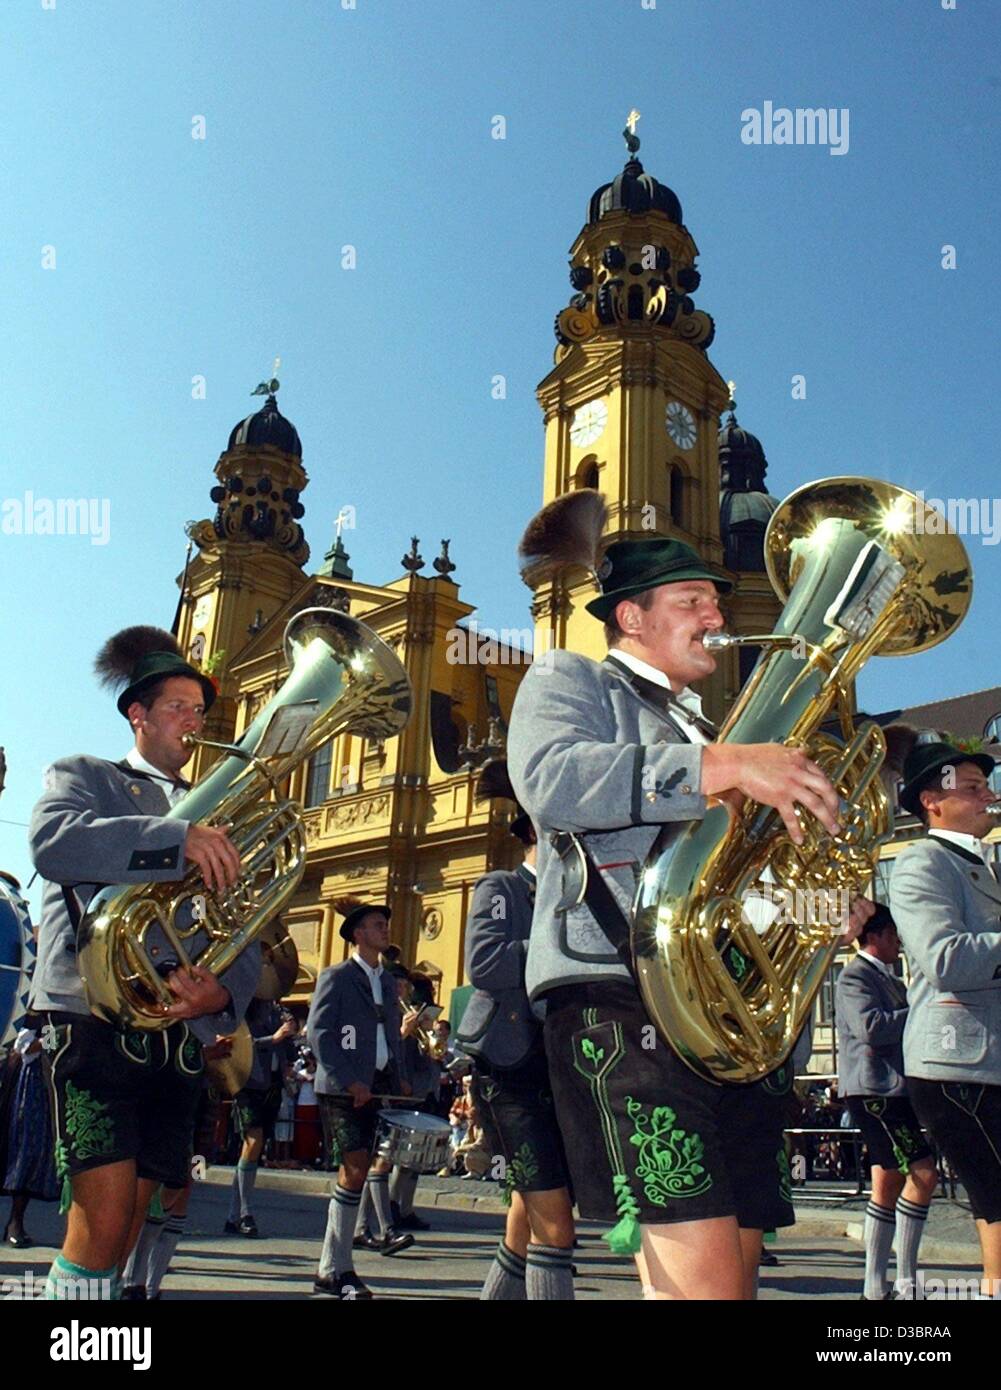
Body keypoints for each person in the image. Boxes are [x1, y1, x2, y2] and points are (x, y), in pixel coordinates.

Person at [507, 491, 870, 1300]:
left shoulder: (708, 726)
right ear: (630, 617)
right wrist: (726, 769)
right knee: (702, 1284)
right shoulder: (570, 678)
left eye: (713, 598)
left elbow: (739, 886)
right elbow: (551, 781)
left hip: (726, 1016)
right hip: (621, 992)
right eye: (691, 601)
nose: (715, 612)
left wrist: (816, 910)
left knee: (733, 1274)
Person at [28, 625, 259, 1300]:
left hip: (173, 1038)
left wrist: (221, 997)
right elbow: (52, 843)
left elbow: (242, 923)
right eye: (179, 708)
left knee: (131, 1222)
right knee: (98, 1222)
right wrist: (175, 837)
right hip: (93, 1016)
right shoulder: (87, 776)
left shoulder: (224, 813)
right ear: (138, 714)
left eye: (200, 711)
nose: (195, 721)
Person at [888, 729, 1001, 1298]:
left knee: (994, 1203)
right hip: (959, 1064)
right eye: (976, 787)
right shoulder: (919, 863)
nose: (990, 796)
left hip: (982, 1062)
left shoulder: (980, 866)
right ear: (933, 800)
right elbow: (945, 959)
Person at [457, 758, 575, 1300]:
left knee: (526, 1217)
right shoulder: (500, 887)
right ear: (533, 834)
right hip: (508, 1071)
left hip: (557, 1072)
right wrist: (558, 946)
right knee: (555, 1223)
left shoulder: (571, 898)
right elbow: (484, 964)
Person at [308, 900, 418, 1300]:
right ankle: (337, 1268)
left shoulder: (387, 981)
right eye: (376, 925)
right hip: (343, 1089)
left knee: (358, 1170)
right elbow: (318, 1034)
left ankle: (330, 1267)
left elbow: (390, 1035)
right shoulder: (336, 977)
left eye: (385, 924)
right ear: (358, 934)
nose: (385, 929)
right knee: (354, 1168)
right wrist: (348, 1079)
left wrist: (401, 1077)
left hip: (377, 1087)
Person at [835, 902, 937, 1299]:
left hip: (888, 1090)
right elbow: (872, 1028)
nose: (899, 943)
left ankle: (876, 1288)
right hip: (875, 1091)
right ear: (874, 937)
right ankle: (905, 1283)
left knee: (887, 1180)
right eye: (894, 935)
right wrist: (917, 1011)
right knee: (923, 1174)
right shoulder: (854, 976)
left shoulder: (887, 978)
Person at [224, 1000, 298, 1236]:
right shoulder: (244, 1007)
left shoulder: (276, 1010)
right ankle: (246, 1212)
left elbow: (288, 1049)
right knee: (252, 1143)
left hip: (273, 1085)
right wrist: (274, 1039)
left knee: (254, 1149)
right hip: (249, 1083)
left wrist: (289, 1038)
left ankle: (233, 1216)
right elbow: (240, 1045)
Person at [2, 1016, 60, 1245]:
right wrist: (58, 1035)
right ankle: (15, 1222)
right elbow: (24, 1046)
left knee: (45, 1156)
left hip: (55, 1083)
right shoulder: (42, 1015)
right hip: (33, 1086)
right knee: (26, 1150)